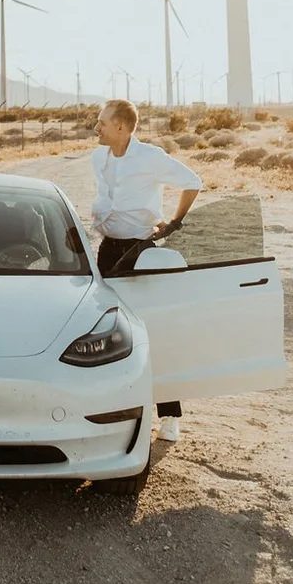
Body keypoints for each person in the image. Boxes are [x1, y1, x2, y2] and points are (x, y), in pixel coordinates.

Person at [89, 98, 203, 444]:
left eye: (102, 122)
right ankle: (109, 410)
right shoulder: (98, 157)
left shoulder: (150, 158)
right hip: (108, 252)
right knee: (104, 331)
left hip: (141, 251)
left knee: (153, 330)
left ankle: (169, 417)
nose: (97, 128)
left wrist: (174, 221)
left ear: (121, 127)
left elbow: (193, 182)